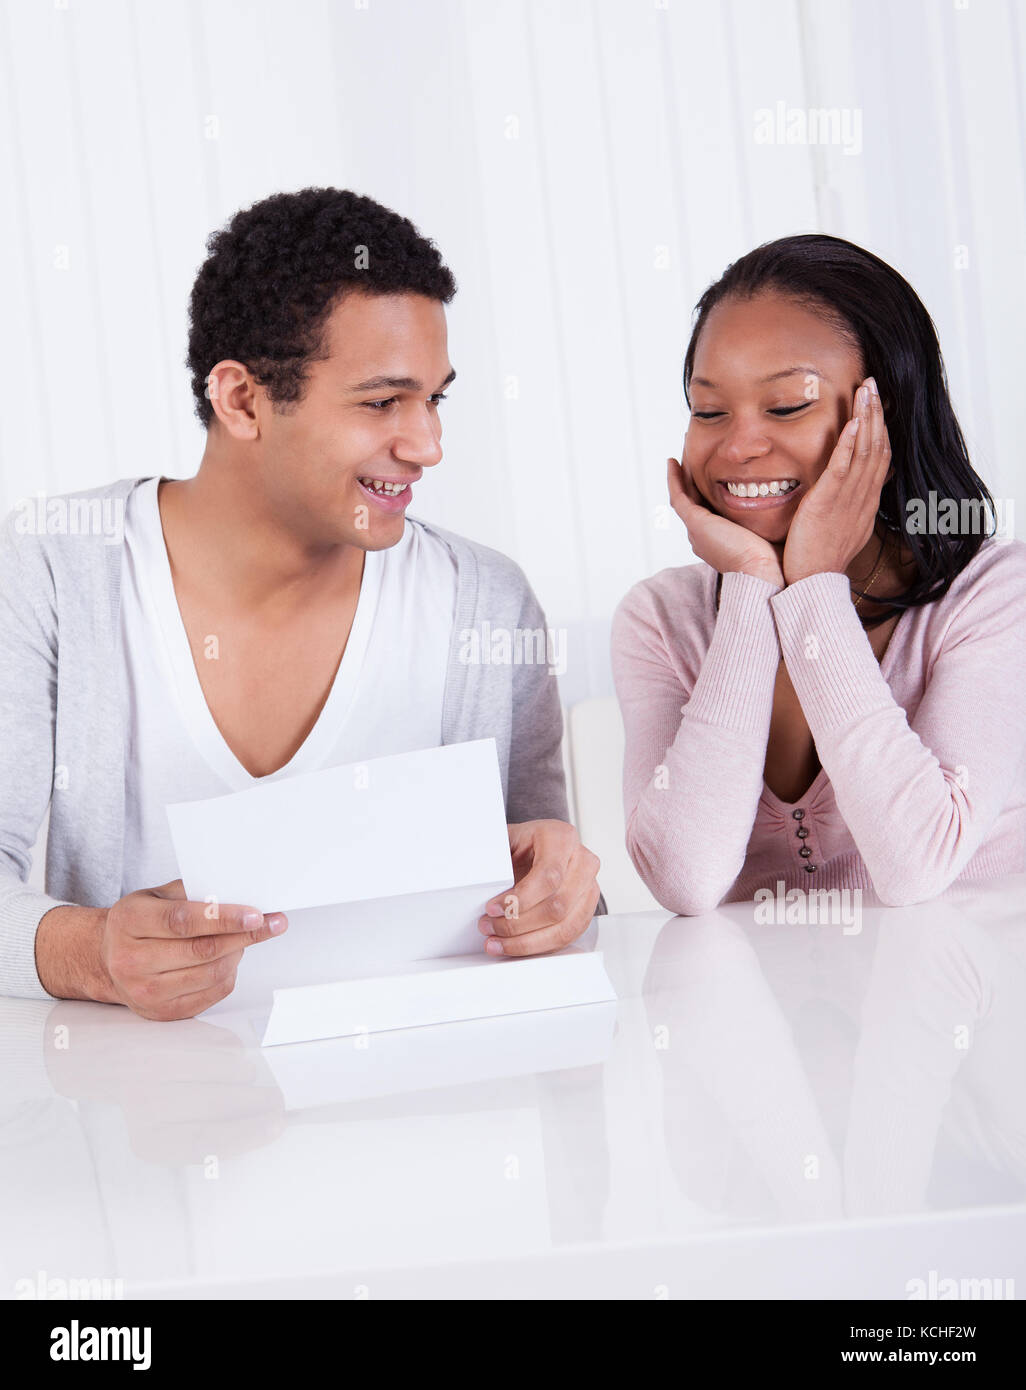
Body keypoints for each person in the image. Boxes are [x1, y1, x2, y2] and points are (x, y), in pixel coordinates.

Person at [0, 187, 601, 1019]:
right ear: (242, 400)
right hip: (142, 1121)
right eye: (382, 401)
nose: (427, 445)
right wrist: (92, 953)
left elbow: (546, 912)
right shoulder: (54, 574)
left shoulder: (487, 605)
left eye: (436, 398)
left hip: (428, 1119)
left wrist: (566, 892)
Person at [611, 234, 1026, 914]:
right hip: (753, 1014)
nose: (739, 446)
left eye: (785, 406)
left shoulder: (992, 591)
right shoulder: (658, 621)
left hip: (966, 1006)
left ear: (882, 415)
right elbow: (685, 881)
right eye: (709, 410)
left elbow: (918, 865)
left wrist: (814, 586)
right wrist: (751, 586)